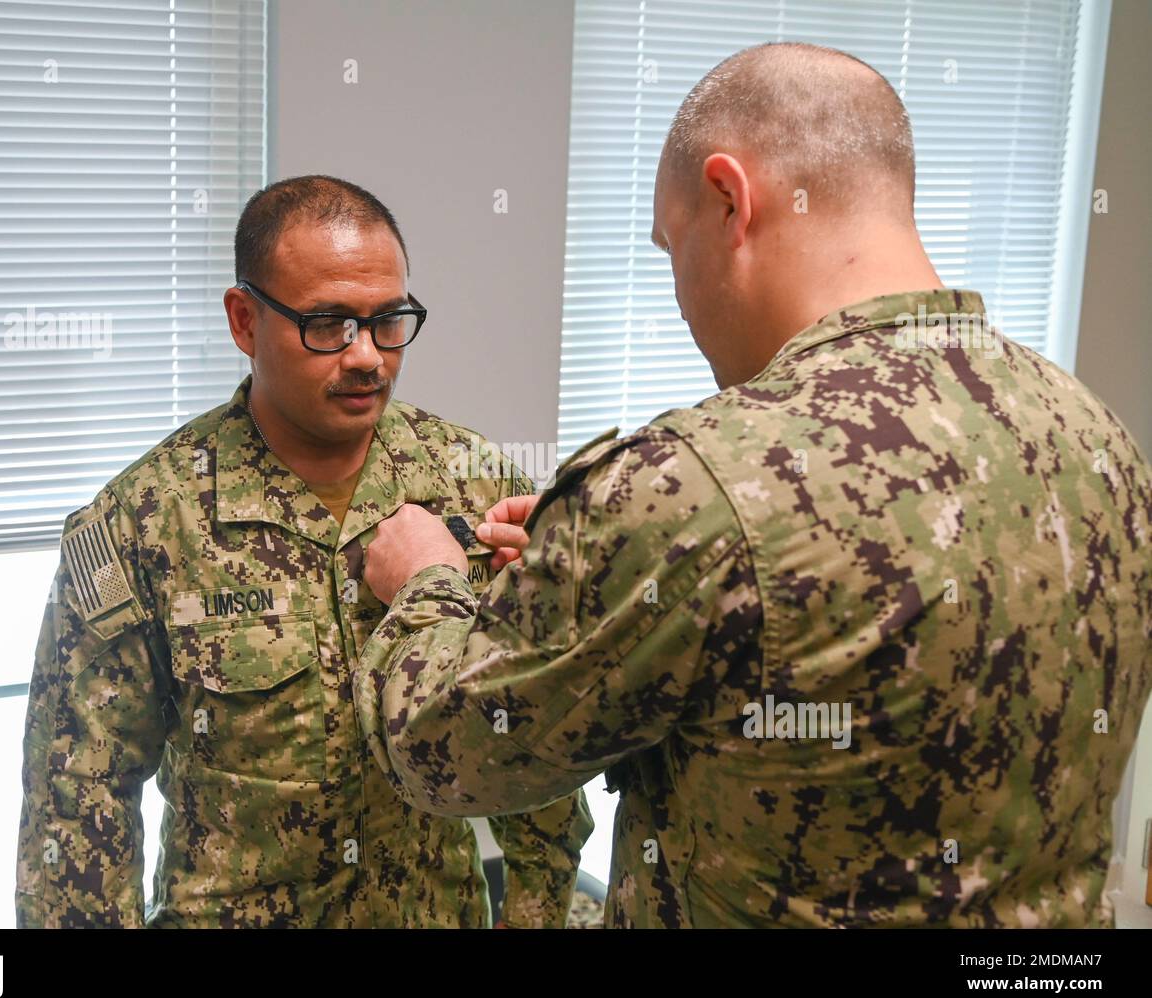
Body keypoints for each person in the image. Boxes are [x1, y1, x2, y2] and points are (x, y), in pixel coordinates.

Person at [357, 43, 1152, 927]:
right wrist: (594, 559)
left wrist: (426, 578)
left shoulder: (693, 483)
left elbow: (443, 751)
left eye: (671, 245)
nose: (680, 295)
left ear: (730, 199)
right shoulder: (1097, 436)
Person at [16, 175, 591, 928]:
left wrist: (536, 910)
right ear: (245, 320)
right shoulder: (143, 522)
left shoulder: (476, 485)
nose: (366, 357)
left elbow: (533, 743)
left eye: (389, 320)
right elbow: (78, 799)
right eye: (327, 324)